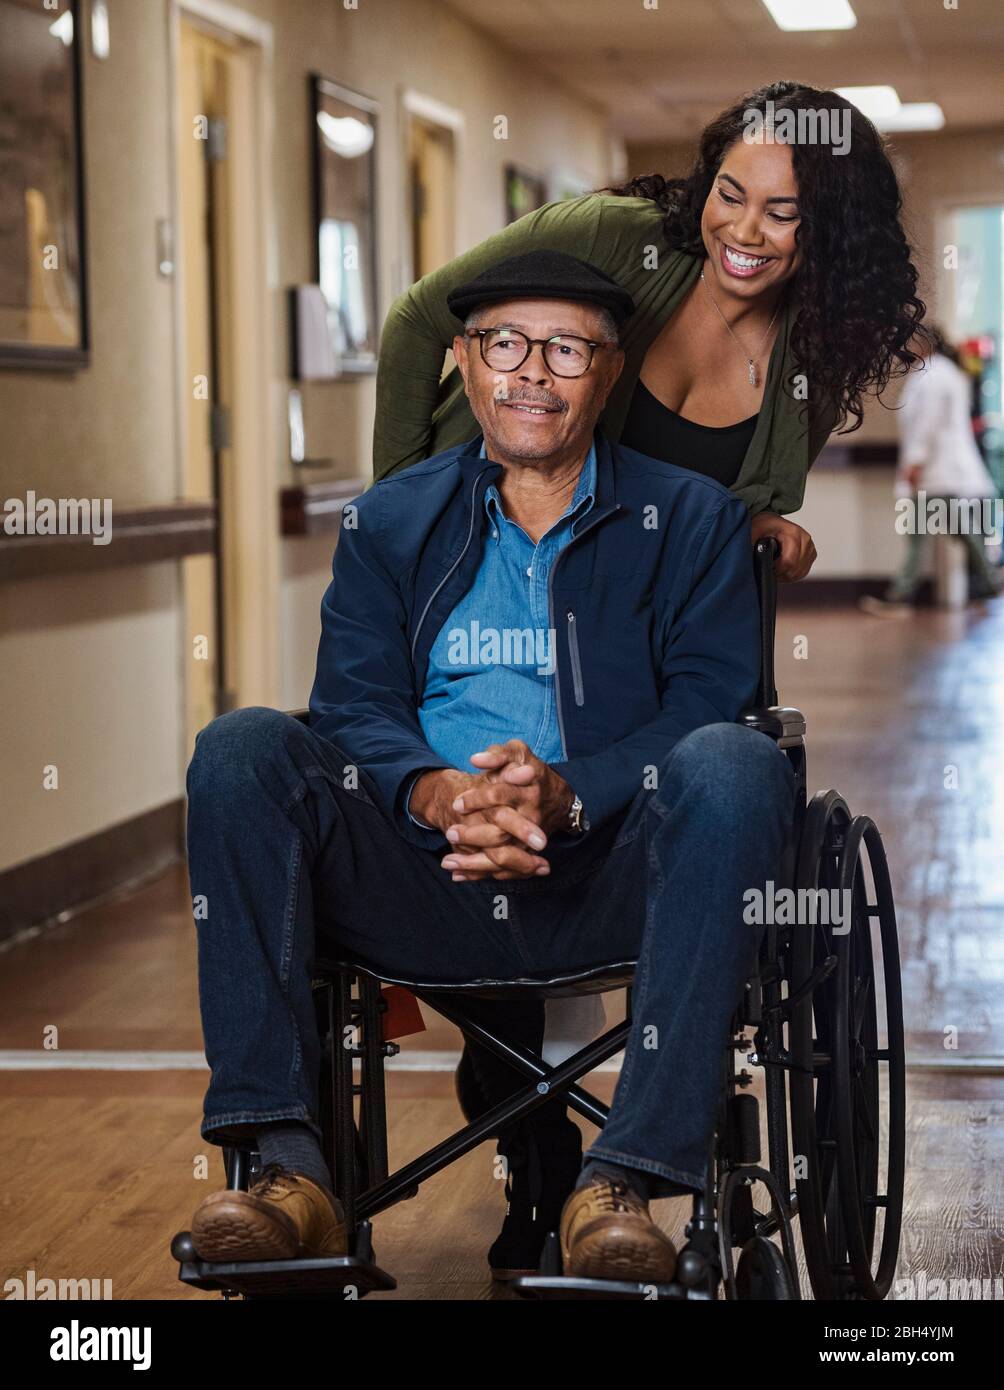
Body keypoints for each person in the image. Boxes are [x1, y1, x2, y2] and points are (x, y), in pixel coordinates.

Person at [372, 78, 928, 1273]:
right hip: (494, 602)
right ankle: (533, 1148)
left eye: (781, 213)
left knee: (697, 774)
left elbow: (749, 497)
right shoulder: (612, 242)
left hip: (641, 652)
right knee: (452, 813)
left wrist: (767, 522)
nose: (742, 230)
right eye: (730, 192)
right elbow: (424, 315)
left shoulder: (809, 350)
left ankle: (628, 1162)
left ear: (825, 229)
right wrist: (404, 510)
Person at [185, 252, 794, 1284]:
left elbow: (704, 708)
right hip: (424, 869)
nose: (530, 373)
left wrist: (563, 793)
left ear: (607, 372)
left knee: (736, 762)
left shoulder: (687, 519)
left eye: (565, 348)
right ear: (465, 363)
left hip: (614, 869)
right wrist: (441, 793)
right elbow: (353, 707)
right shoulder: (388, 520)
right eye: (503, 344)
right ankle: (286, 1170)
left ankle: (622, 1183)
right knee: (240, 746)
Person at [860, 327, 1003, 615]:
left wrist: (915, 463)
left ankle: (900, 596)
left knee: (920, 533)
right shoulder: (940, 372)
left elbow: (927, 424)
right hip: (942, 472)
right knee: (958, 531)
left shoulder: (934, 375)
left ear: (927, 343)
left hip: (936, 471)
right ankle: (989, 580)